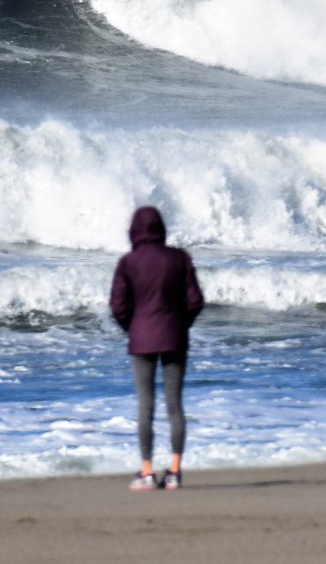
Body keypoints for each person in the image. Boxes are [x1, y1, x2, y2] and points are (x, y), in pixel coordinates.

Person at [109, 205, 204, 491]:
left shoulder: (129, 262)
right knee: (175, 405)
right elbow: (195, 301)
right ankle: (174, 472)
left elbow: (118, 306)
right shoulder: (180, 258)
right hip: (175, 338)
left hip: (141, 340)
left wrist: (133, 327)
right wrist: (180, 324)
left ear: (134, 230)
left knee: (145, 406)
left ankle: (147, 472)